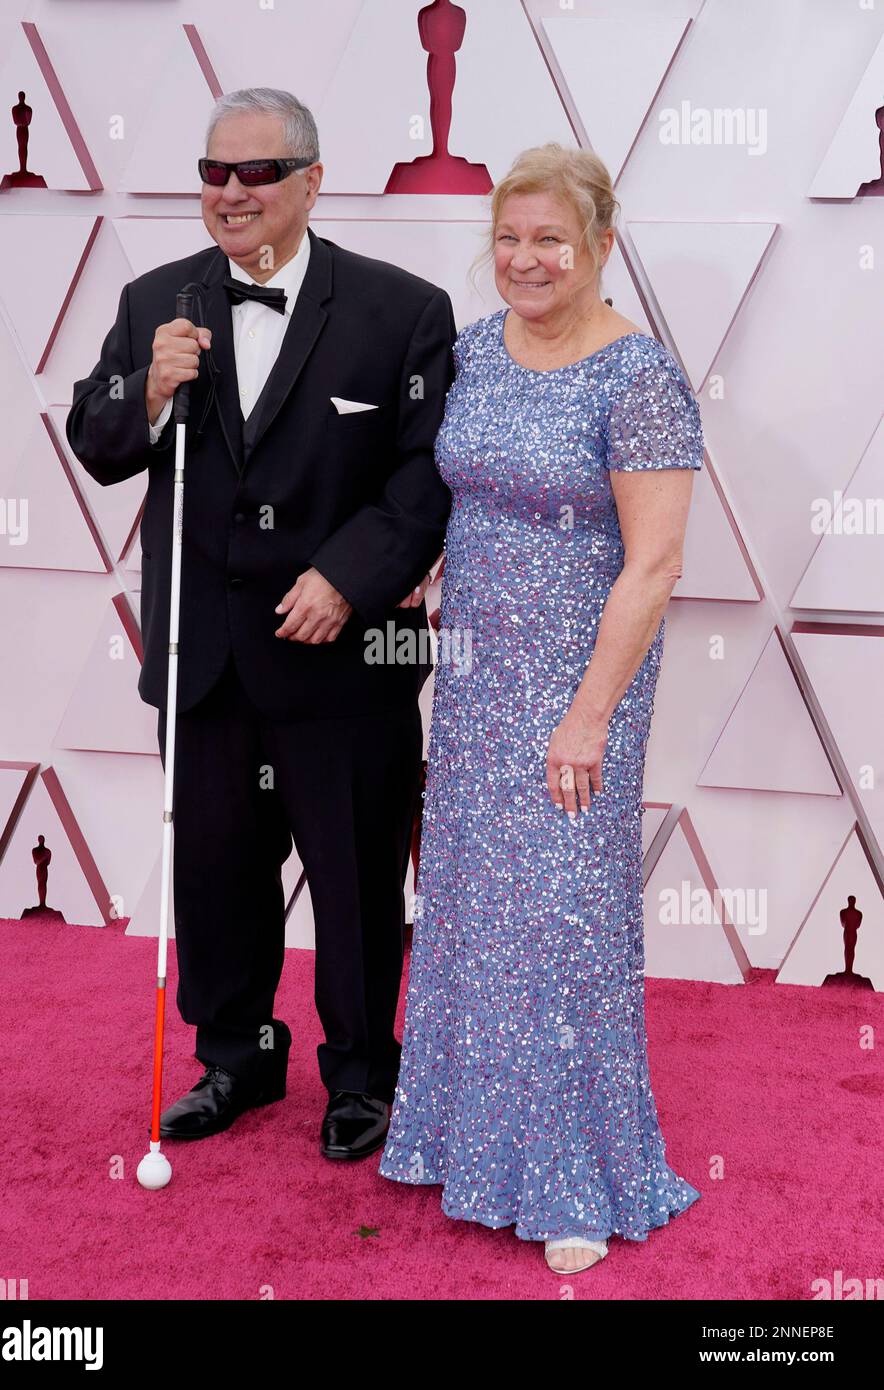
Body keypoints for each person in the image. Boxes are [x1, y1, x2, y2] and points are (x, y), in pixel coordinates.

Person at [67, 88, 455, 1161]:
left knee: (357, 878)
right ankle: (233, 1054)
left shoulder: (401, 311)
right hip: (203, 659)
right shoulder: (156, 299)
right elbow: (95, 442)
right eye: (212, 174)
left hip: (345, 663)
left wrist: (352, 578)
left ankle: (363, 1076)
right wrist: (144, 388)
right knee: (218, 871)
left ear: (311, 181)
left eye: (255, 174)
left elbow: (431, 472)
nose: (229, 193)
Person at [379, 143, 703, 1272]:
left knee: (564, 922)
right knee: (475, 907)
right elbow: (457, 487)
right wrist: (431, 571)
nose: (523, 259)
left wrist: (586, 716)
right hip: (472, 680)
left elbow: (653, 566)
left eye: (547, 240)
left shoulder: (637, 378)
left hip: (578, 683)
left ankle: (572, 1177)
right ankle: (464, 1145)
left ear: (600, 247)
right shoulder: (473, 350)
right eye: (507, 238)